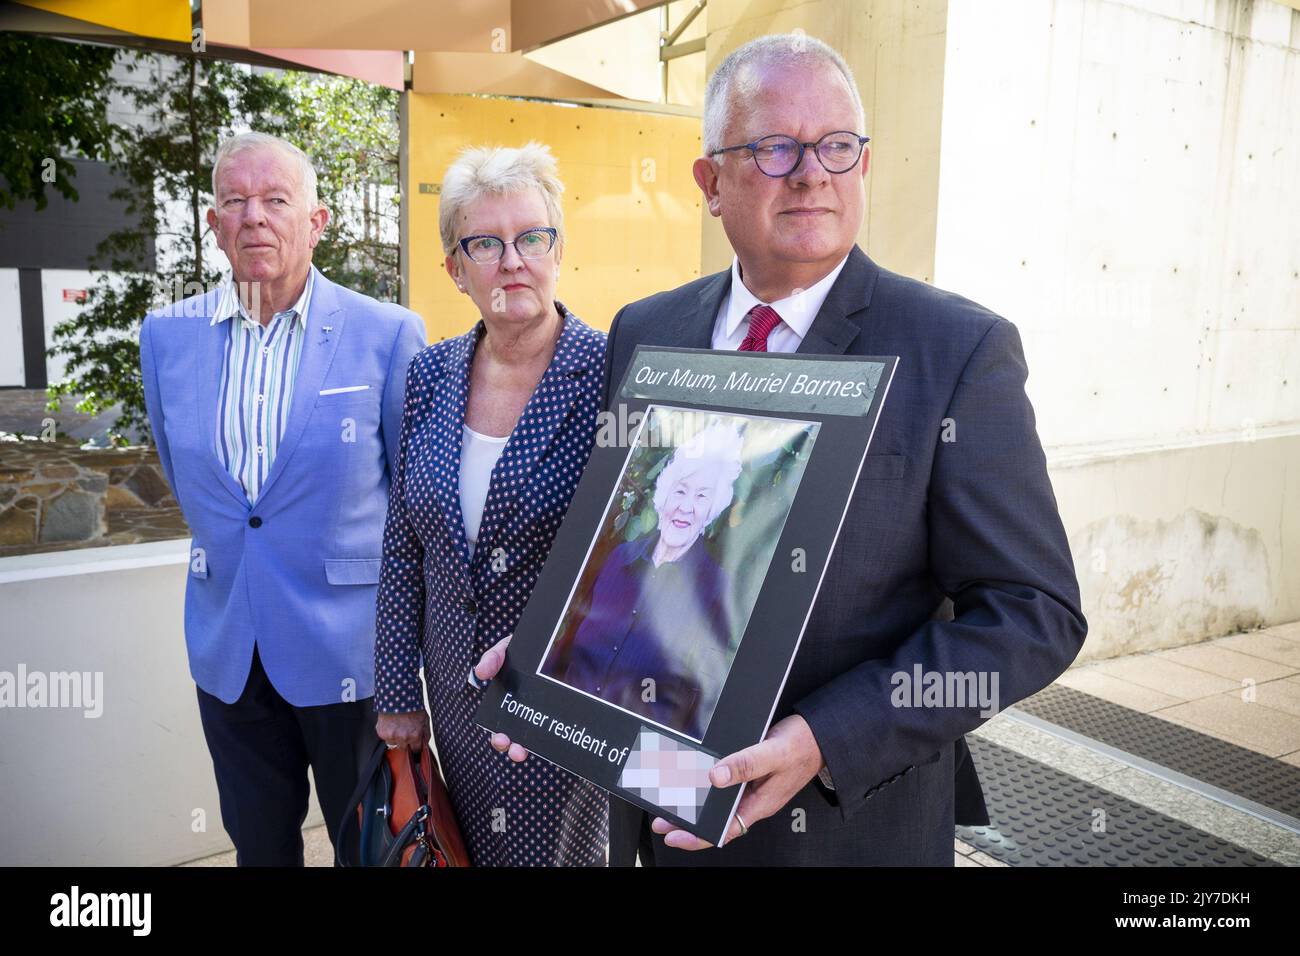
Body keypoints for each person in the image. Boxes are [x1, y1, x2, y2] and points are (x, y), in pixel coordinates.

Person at [478, 33, 1087, 866]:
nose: (813, 173)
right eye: (775, 148)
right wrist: (565, 648)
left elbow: (1035, 616)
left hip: (843, 828)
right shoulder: (647, 332)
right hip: (656, 809)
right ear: (710, 182)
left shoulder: (957, 351)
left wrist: (824, 737)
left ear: (864, 166)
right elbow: (631, 534)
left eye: (838, 146)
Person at [138, 131, 426, 865]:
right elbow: (193, 479)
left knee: (372, 850)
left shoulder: (386, 333)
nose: (254, 217)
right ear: (213, 224)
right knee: (260, 848)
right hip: (228, 646)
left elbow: (409, 505)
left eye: (275, 200)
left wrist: (407, 660)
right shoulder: (167, 338)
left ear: (317, 221)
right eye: (234, 201)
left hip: (349, 653)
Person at [373, 142, 608, 866]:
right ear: (455, 267)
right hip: (455, 704)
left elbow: (636, 555)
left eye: (531, 237)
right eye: (486, 242)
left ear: (558, 248)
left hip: (563, 702)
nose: (513, 260)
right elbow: (405, 544)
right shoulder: (430, 375)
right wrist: (396, 690)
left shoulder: (608, 372)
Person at [544, 420, 741, 739]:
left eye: (702, 497)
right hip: (560, 729)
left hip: (634, 761)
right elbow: (566, 648)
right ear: (664, 494)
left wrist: (643, 773)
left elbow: (699, 710)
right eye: (681, 490)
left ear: (712, 511)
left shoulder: (716, 591)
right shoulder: (618, 556)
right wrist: (525, 702)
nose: (686, 507)